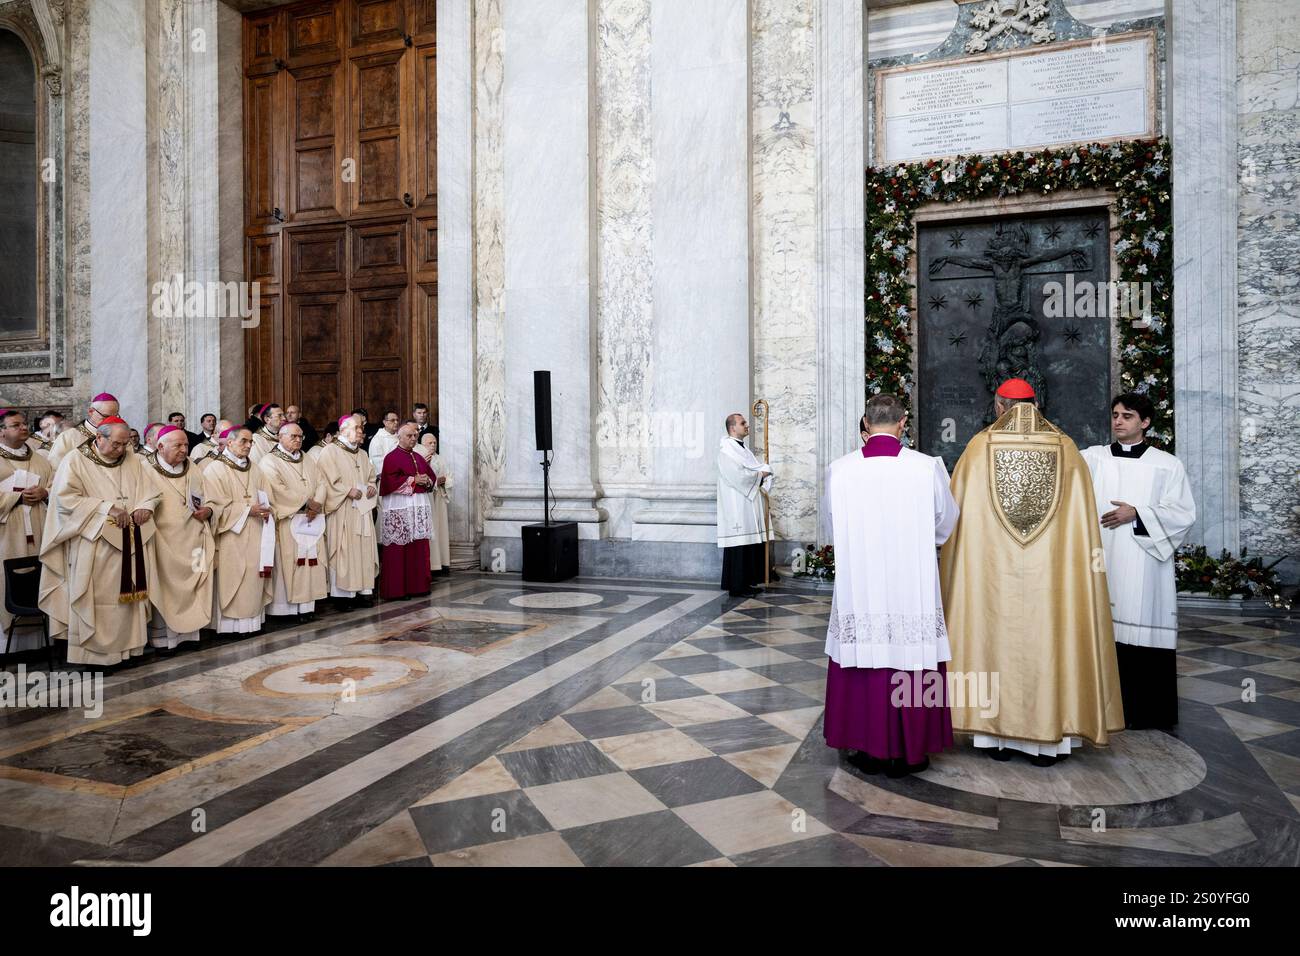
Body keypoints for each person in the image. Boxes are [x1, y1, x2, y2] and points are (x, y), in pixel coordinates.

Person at [939, 378, 1124, 766]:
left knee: (995, 639)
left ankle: (997, 739)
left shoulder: (978, 448)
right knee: (1049, 641)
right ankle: (1047, 741)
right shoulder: (1066, 448)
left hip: (992, 578)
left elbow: (955, 522)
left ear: (1001, 406)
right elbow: (1081, 527)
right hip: (1051, 579)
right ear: (1035, 404)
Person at [823, 396, 960, 777]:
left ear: (866, 422)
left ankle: (867, 746)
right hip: (910, 580)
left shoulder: (840, 469)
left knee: (863, 656)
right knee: (912, 656)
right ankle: (911, 750)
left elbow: (832, 527)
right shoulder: (926, 467)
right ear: (903, 423)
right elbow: (946, 524)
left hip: (860, 581)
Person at [1081, 393, 1196, 729]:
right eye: (1115, 414)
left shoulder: (1167, 465)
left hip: (1144, 564)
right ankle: (1097, 708)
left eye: (1127, 416)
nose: (1118, 421)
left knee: (1140, 628)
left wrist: (1138, 513)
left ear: (1145, 422)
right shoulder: (1092, 459)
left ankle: (1145, 711)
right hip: (1099, 557)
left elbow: (1183, 513)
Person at [39, 418, 160, 666]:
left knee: (127, 597)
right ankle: (94, 657)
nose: (121, 449)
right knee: (97, 599)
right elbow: (64, 499)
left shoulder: (134, 459)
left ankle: (127, 651)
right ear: (99, 438)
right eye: (116, 444)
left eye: (125, 444)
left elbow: (153, 492)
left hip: (131, 542)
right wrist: (107, 508)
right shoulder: (75, 460)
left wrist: (146, 507)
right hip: (94, 544)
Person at [141, 426, 214, 651]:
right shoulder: (144, 468)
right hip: (163, 542)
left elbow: (210, 498)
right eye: (178, 446)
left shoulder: (192, 467)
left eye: (186, 445)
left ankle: (190, 635)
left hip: (194, 539)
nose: (184, 450)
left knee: (195, 586)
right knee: (165, 589)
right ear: (160, 446)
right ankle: (164, 639)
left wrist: (209, 511)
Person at [203, 426, 275, 634]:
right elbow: (214, 506)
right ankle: (229, 627)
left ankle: (252, 623)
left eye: (251, 442)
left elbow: (267, 497)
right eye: (244, 441)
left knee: (253, 578)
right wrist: (245, 511)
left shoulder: (255, 469)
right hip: (231, 536)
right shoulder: (215, 469)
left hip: (257, 531)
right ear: (230, 442)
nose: (249, 445)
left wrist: (266, 509)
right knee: (233, 578)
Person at [258, 422, 327, 620]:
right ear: (280, 437)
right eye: (293, 436)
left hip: (311, 519)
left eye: (300, 437)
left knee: (310, 564)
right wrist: (306, 503)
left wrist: (317, 504)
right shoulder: (269, 461)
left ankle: (306, 607)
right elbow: (277, 489)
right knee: (290, 563)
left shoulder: (307, 459)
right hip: (289, 519)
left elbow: (321, 482)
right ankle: (284, 610)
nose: (298, 440)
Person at [0, 410, 53, 653]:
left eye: (24, 424)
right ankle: (8, 648)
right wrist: (15, 498)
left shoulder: (41, 459)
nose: (23, 428)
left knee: (41, 578)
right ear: (1, 431)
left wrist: (46, 493)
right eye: (15, 425)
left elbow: (57, 486)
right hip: (7, 532)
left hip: (40, 528)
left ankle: (42, 643)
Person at [318, 415, 379, 607]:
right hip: (342, 510)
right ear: (344, 430)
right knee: (344, 550)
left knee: (363, 550)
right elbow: (324, 481)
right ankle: (343, 595)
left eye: (362, 428)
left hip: (362, 510)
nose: (362, 431)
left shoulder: (362, 454)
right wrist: (346, 491)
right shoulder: (330, 452)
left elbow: (371, 476)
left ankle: (364, 591)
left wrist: (371, 487)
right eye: (357, 428)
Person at [716, 412, 773, 598]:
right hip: (737, 505)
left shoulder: (742, 449)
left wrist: (762, 472)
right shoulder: (727, 451)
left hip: (747, 502)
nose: (746, 425)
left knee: (747, 544)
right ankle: (737, 586)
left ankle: (746, 582)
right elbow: (738, 477)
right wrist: (760, 475)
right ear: (733, 428)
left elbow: (751, 468)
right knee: (739, 544)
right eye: (743, 423)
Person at [378, 422, 435, 600]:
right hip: (399, 506)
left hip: (417, 506)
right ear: (400, 437)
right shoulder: (391, 457)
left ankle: (419, 586)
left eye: (415, 436)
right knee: (398, 547)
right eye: (409, 436)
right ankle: (397, 589)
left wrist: (426, 481)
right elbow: (389, 481)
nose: (413, 439)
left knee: (418, 546)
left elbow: (430, 476)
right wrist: (413, 480)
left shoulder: (418, 456)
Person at [47, 393, 119, 470]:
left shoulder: (121, 437)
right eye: (106, 416)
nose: (111, 420)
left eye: (115, 417)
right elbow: (55, 469)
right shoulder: (67, 437)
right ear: (91, 412)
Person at [416, 432, 452, 575]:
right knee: (432, 531)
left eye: (434, 443)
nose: (432, 445)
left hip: (439, 499)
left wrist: (444, 481)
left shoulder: (440, 459)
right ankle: (432, 564)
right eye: (429, 443)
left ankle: (442, 562)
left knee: (441, 530)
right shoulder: (421, 458)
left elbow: (449, 476)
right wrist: (436, 482)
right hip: (428, 498)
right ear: (422, 445)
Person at [368, 410, 401, 476]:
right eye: (392, 420)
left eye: (397, 420)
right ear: (385, 422)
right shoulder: (377, 439)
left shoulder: (400, 436)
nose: (396, 422)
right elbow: (377, 461)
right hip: (387, 476)